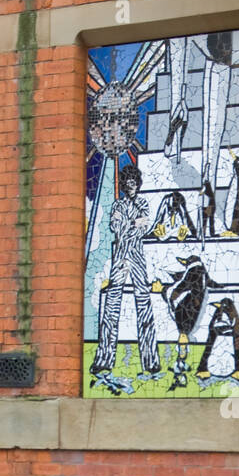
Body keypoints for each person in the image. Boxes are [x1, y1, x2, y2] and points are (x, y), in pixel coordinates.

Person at [91, 163, 160, 382]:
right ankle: (104, 358)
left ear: (138, 184)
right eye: (128, 183)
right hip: (120, 257)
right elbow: (117, 227)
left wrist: (129, 225)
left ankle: (151, 360)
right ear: (124, 185)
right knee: (111, 305)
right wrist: (132, 224)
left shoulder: (143, 203)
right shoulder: (118, 205)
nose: (131, 186)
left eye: (134, 183)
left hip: (137, 258)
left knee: (144, 304)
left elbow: (144, 227)